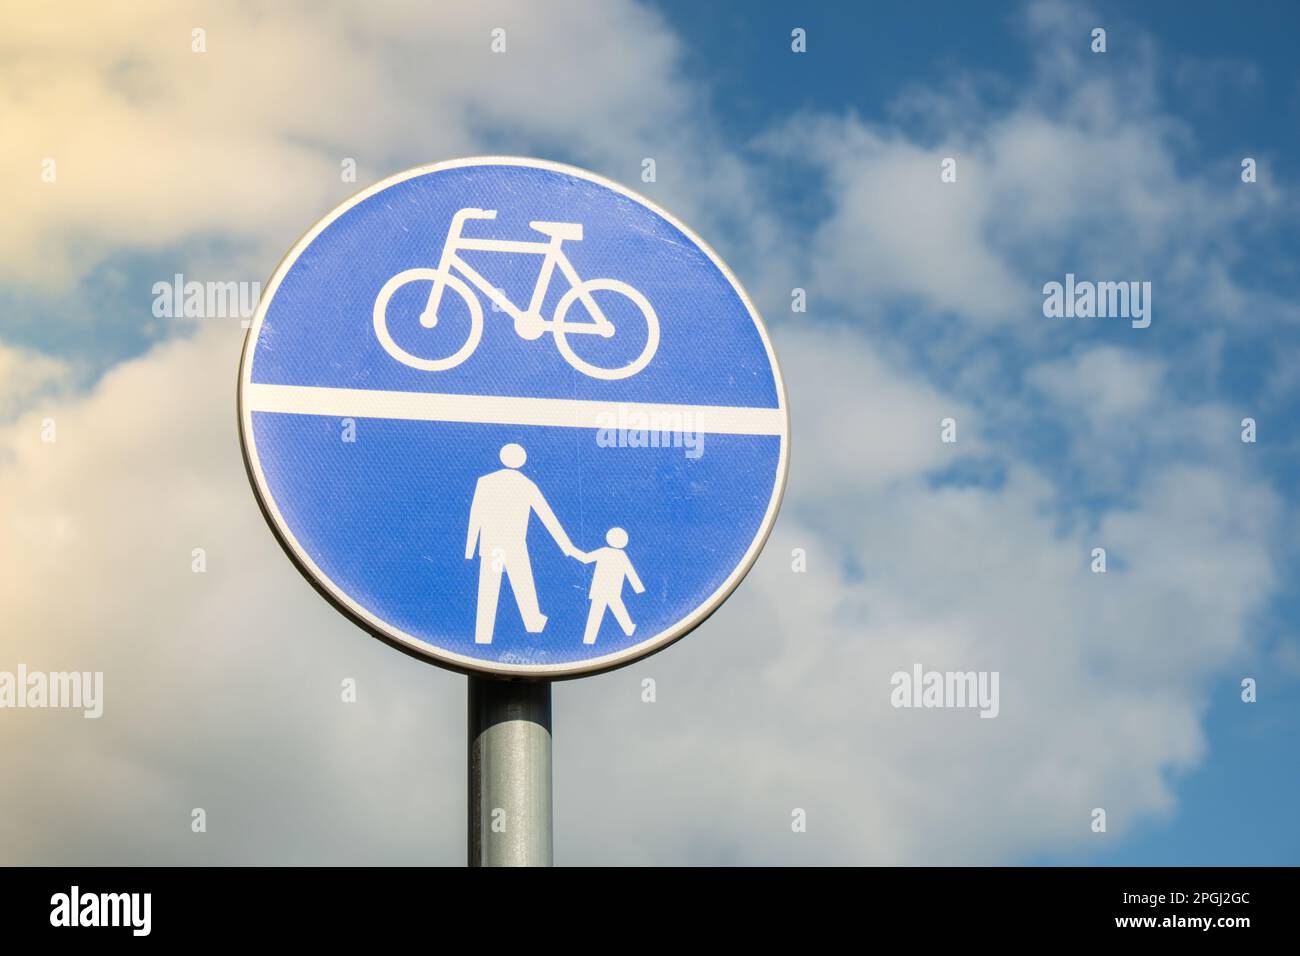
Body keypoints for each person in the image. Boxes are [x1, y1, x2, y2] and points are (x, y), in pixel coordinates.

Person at [465, 443, 583, 644]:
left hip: (492, 546)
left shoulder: (486, 482)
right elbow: (548, 518)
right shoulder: (526, 484)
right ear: (522, 460)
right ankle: (533, 624)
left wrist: (470, 549)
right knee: (523, 582)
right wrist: (567, 547)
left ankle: (483, 635)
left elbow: (475, 516)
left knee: (489, 588)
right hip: (514, 545)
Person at [578, 527, 645, 645]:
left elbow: (585, 558)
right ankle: (628, 628)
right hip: (612, 589)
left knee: (598, 611)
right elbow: (631, 573)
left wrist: (573, 552)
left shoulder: (604, 551)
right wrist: (638, 588)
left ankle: (589, 638)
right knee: (615, 609)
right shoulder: (621, 555)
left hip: (601, 588)